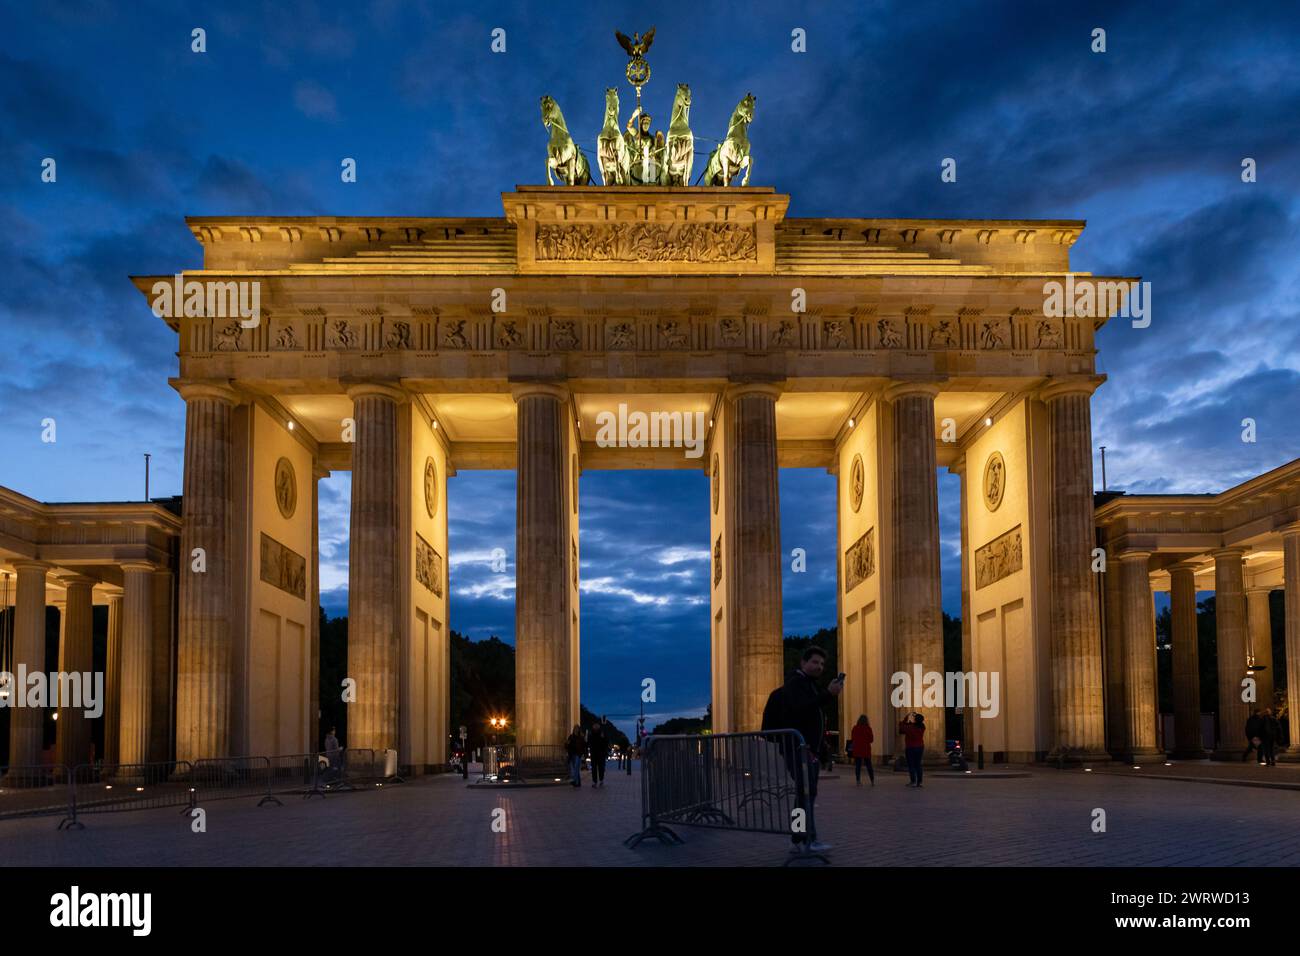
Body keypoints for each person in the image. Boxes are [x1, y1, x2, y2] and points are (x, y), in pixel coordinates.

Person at [766, 646, 843, 854]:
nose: (819, 666)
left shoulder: (807, 685)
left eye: (822, 664)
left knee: (805, 795)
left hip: (807, 750)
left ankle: (800, 839)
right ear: (803, 663)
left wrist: (822, 748)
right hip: (798, 749)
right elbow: (801, 709)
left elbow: (810, 717)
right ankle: (804, 839)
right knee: (805, 794)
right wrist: (828, 694)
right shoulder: (796, 684)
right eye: (815, 662)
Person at [899, 712, 926, 787]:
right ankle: (920, 782)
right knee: (918, 764)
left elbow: (901, 726)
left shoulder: (910, 727)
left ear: (915, 720)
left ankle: (913, 781)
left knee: (911, 765)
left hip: (910, 747)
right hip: (920, 747)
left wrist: (906, 717)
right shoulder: (922, 727)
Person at [851, 714, 875, 787]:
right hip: (866, 749)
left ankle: (858, 781)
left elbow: (853, 738)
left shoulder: (855, 728)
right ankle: (872, 781)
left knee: (858, 766)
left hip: (857, 749)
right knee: (869, 766)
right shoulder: (868, 728)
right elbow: (871, 739)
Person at [588, 719, 609, 788]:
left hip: (601, 753)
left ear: (599, 726)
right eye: (595, 725)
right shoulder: (591, 733)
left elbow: (606, 742)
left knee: (601, 768)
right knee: (593, 768)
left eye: (597, 725)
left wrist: (603, 738)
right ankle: (594, 781)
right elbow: (589, 742)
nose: (596, 726)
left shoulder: (602, 733)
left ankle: (601, 780)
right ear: (593, 726)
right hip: (593, 753)